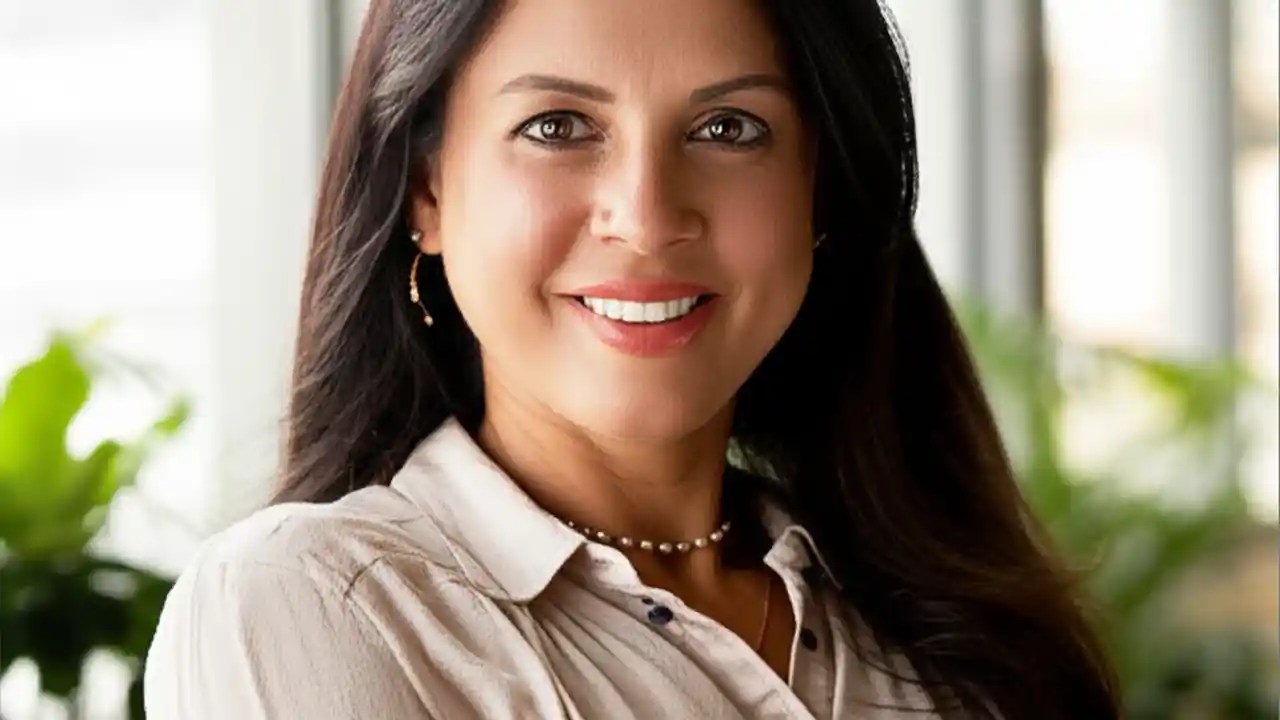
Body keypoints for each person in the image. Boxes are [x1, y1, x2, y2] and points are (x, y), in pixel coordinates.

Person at [144, 0, 1122, 717]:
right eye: (557, 127)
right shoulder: (312, 605)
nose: (647, 218)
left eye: (726, 128)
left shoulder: (956, 647)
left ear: (818, 191)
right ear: (424, 189)